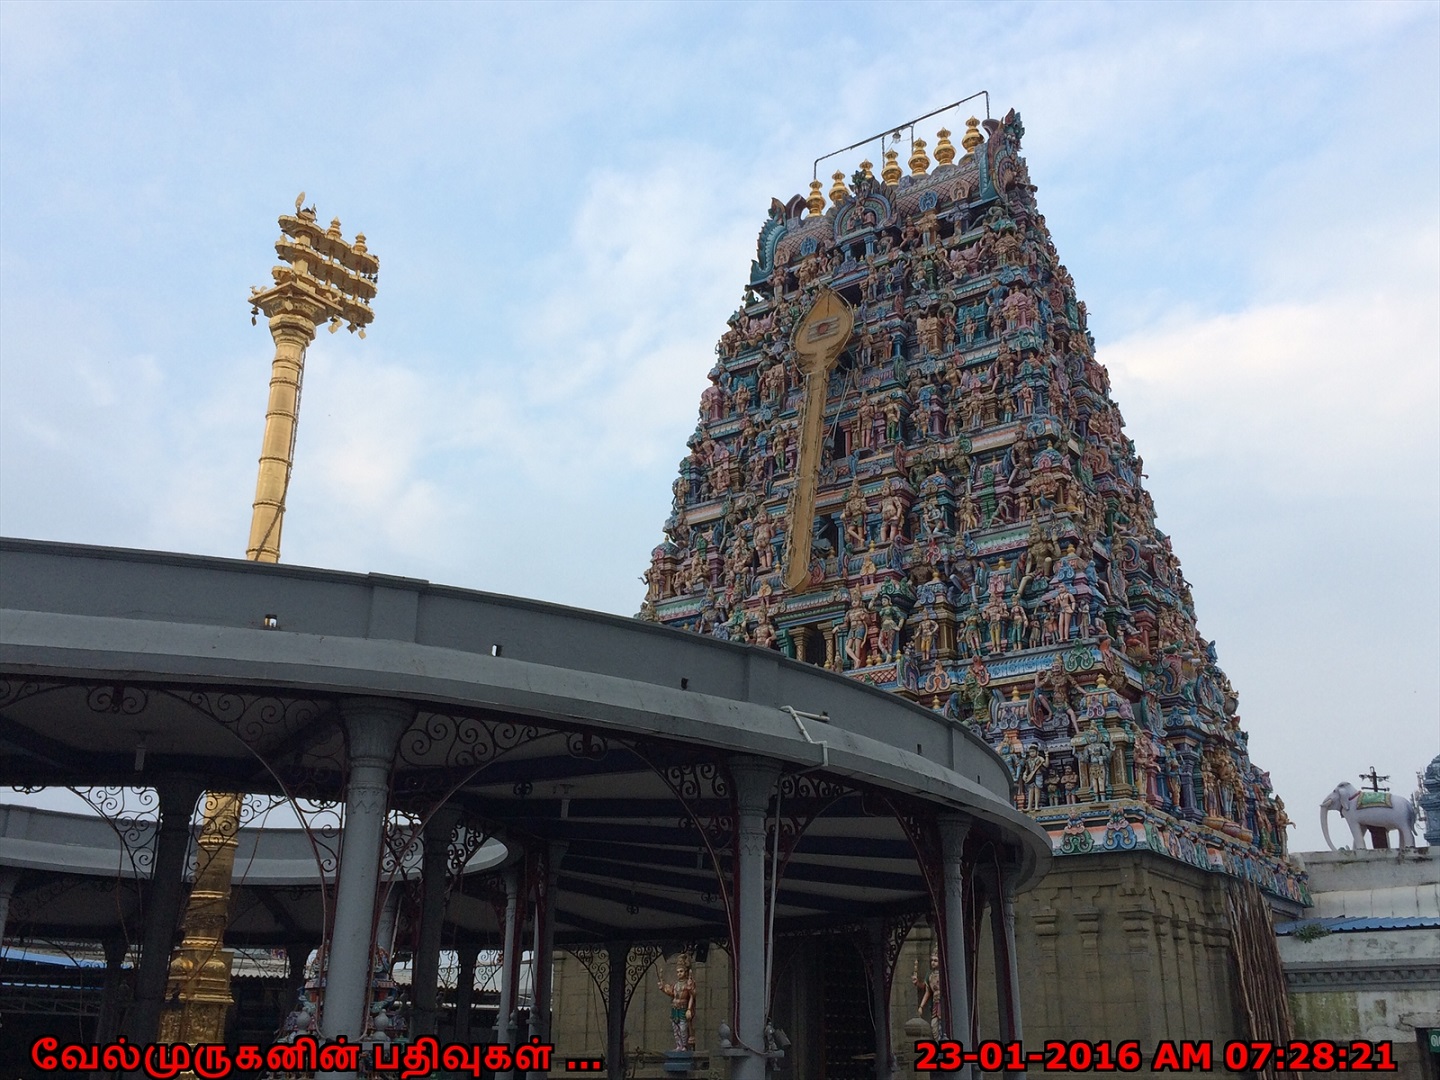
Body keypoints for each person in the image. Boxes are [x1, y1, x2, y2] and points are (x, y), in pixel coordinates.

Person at [659, 954, 697, 1051]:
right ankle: (679, 1045)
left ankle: (684, 1046)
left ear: (685, 972)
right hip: (675, 1008)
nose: (679, 973)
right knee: (675, 1028)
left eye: (681, 971)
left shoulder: (688, 983)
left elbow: (692, 996)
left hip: (683, 1008)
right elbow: (672, 993)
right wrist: (663, 988)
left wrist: (689, 1009)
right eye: (677, 972)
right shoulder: (676, 984)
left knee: (683, 1028)